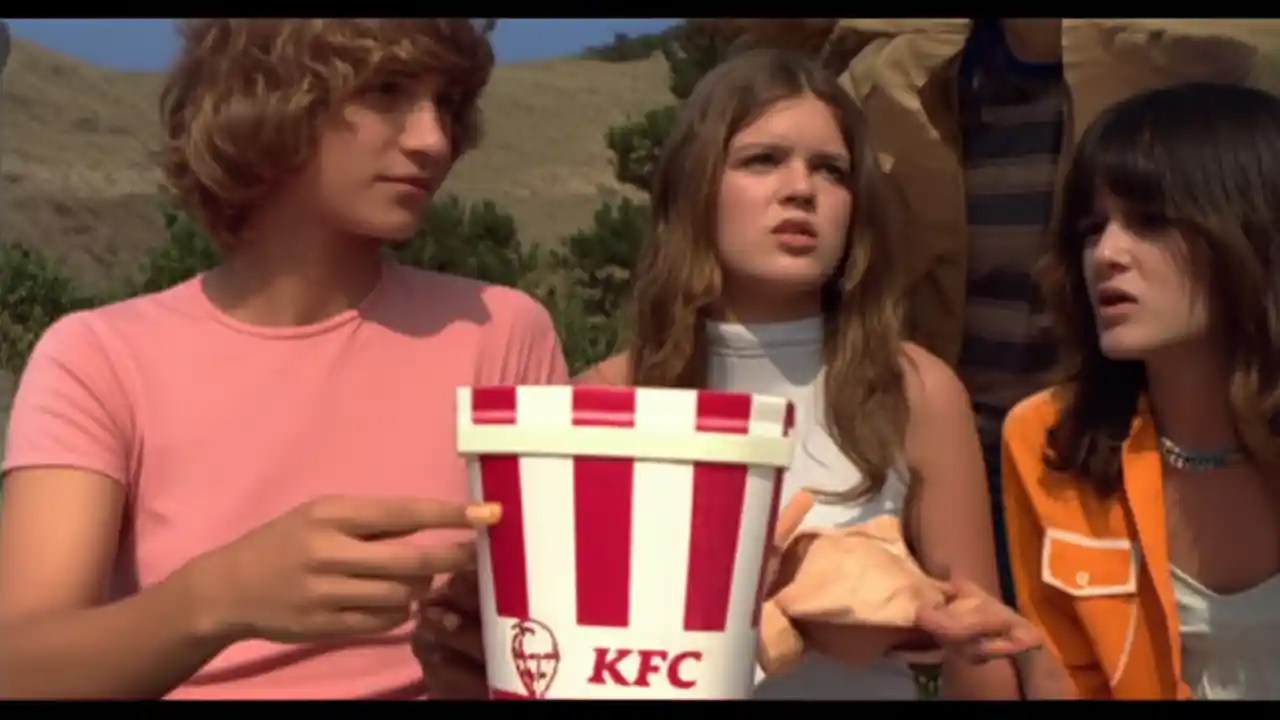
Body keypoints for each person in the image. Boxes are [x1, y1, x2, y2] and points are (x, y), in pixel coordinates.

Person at [0, 19, 568, 700]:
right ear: (266, 97)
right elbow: (20, 667)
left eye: (447, 104)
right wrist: (218, 597)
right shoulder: (99, 357)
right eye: (387, 93)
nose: (433, 140)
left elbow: (554, 626)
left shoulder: (500, 331)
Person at [718, 18, 1280, 605]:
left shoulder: (1166, 56)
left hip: (1117, 434)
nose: (1109, 250)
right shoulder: (901, 79)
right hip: (952, 437)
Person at [575, 48, 1024, 700]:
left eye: (831, 171)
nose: (800, 189)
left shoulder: (914, 388)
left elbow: (982, 657)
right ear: (695, 185)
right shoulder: (604, 398)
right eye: (762, 160)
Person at [1002, 82, 1280, 700]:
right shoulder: (1052, 439)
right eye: (1091, 228)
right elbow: (1067, 680)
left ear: (1254, 231)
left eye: (1150, 222)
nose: (1106, 254)